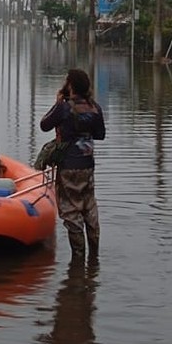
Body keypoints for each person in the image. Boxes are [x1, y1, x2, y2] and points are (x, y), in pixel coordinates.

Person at [40, 68, 106, 256]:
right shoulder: (95, 107)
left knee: (71, 212)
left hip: (68, 167)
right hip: (87, 167)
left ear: (70, 85)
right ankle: (94, 258)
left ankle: (78, 259)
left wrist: (58, 102)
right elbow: (100, 135)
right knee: (89, 207)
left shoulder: (64, 107)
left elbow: (44, 125)